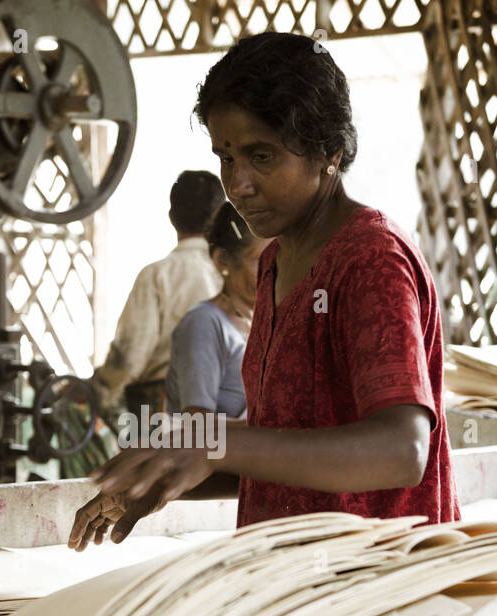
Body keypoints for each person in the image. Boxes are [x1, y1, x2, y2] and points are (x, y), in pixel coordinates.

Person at [70, 32, 459, 550]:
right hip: (291, 583)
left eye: (262, 156)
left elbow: (401, 451)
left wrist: (215, 443)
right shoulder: (275, 259)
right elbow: (287, 457)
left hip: (378, 584)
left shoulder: (370, 260)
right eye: (226, 157)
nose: (238, 184)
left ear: (329, 151)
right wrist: (168, 477)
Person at [90, 170, 224, 417]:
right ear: (220, 217)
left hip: (165, 414)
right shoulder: (234, 272)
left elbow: (130, 355)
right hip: (226, 415)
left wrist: (97, 390)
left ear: (172, 217)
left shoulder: (157, 275)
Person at [165, 202, 266, 418]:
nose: (275, 271)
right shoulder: (203, 323)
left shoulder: (268, 326)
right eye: (262, 262)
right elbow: (198, 428)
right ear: (223, 261)